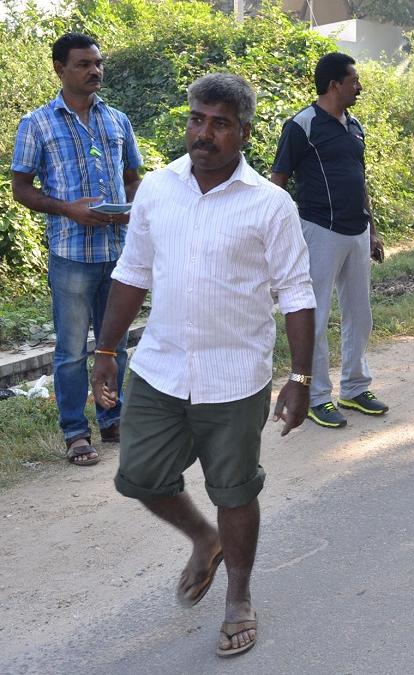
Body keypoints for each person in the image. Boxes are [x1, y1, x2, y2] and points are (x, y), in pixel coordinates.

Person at [90, 73, 317, 656]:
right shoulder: (157, 189)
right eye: (197, 119)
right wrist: (108, 351)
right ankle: (204, 538)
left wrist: (300, 378)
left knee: (235, 490)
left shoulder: (270, 204)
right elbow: (132, 272)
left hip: (234, 377)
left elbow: (296, 292)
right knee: (137, 476)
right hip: (160, 367)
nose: (204, 133)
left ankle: (238, 597)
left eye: (220, 124)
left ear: (243, 132)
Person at [10, 32, 142, 466]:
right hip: (71, 253)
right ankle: (74, 432)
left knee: (114, 345)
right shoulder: (37, 123)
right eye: (84, 64)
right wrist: (68, 209)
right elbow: (21, 189)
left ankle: (112, 418)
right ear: (59, 69)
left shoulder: (118, 120)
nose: (95, 71)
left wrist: (130, 208)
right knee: (70, 350)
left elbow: (133, 178)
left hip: (117, 251)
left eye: (98, 63)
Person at [270, 52, 387, 429]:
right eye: (354, 80)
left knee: (360, 314)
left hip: (357, 231)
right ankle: (318, 395)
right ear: (334, 84)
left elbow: (359, 180)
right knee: (315, 316)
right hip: (318, 231)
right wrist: (283, 235)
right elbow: (277, 184)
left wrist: (373, 230)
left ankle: (354, 387)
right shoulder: (301, 126)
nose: (360, 87)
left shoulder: (355, 126)